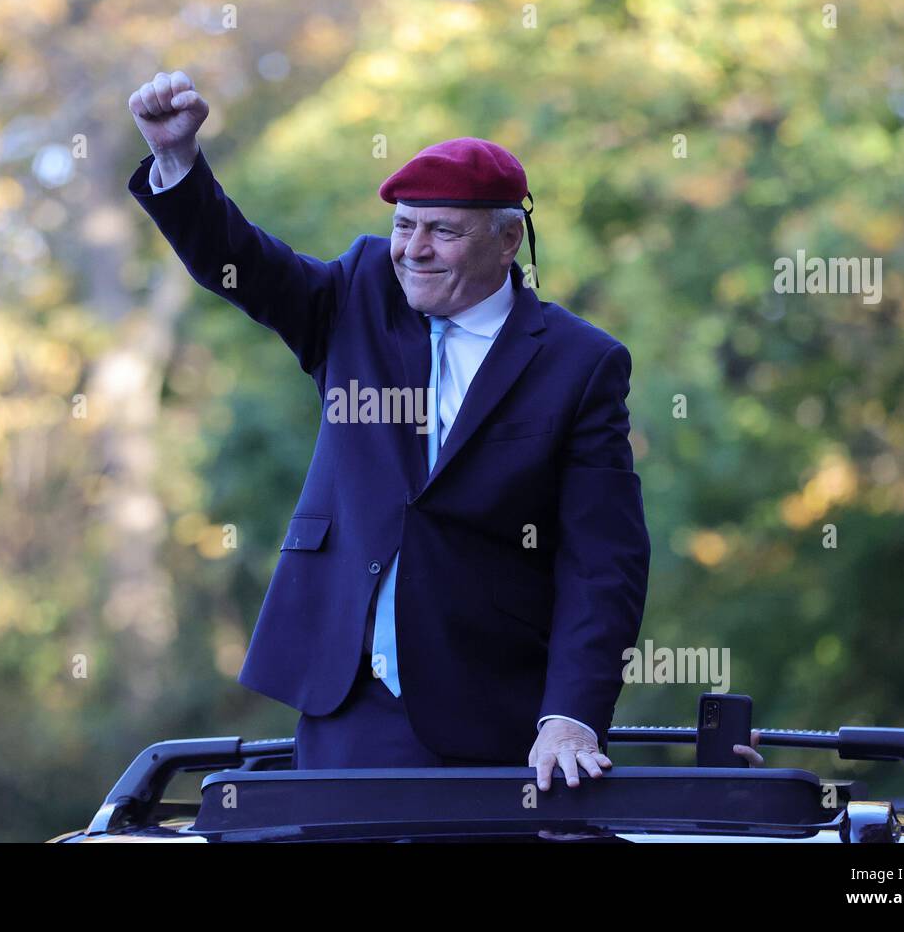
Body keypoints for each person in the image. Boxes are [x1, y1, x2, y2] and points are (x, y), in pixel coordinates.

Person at [127, 70, 651, 791]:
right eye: (404, 225)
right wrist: (179, 161)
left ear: (508, 241)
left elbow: (603, 560)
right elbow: (243, 266)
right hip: (347, 699)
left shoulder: (581, 363)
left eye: (443, 230)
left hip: (496, 709)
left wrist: (571, 716)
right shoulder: (358, 290)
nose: (414, 248)